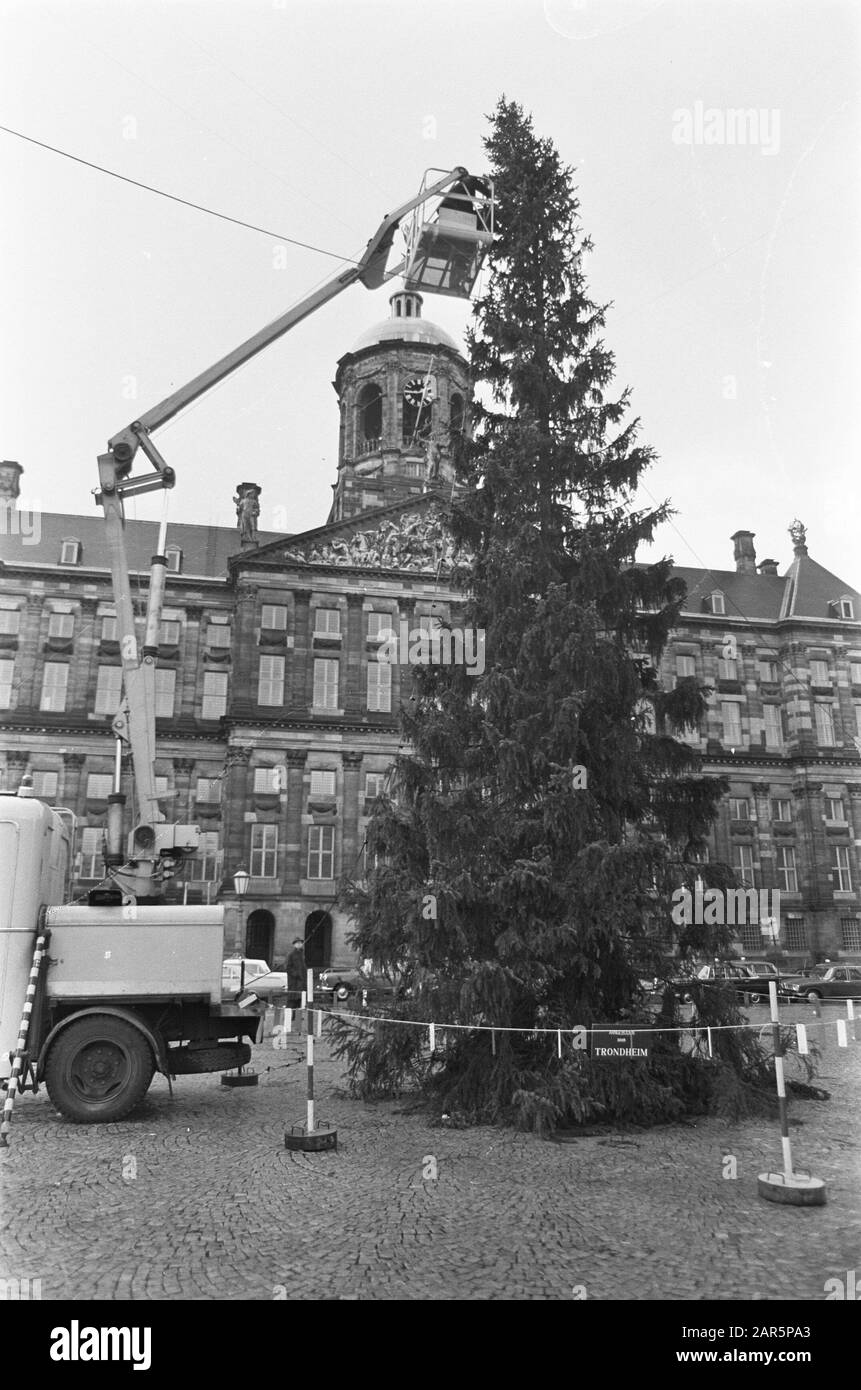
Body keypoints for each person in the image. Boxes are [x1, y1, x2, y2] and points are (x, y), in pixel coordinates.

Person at [286, 937, 306, 1003]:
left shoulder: (301, 954)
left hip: (301, 980)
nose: (299, 944)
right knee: (292, 999)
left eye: (300, 943)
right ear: (294, 944)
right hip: (294, 981)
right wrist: (296, 974)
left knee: (300, 999)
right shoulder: (291, 954)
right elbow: (288, 967)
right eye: (297, 943)